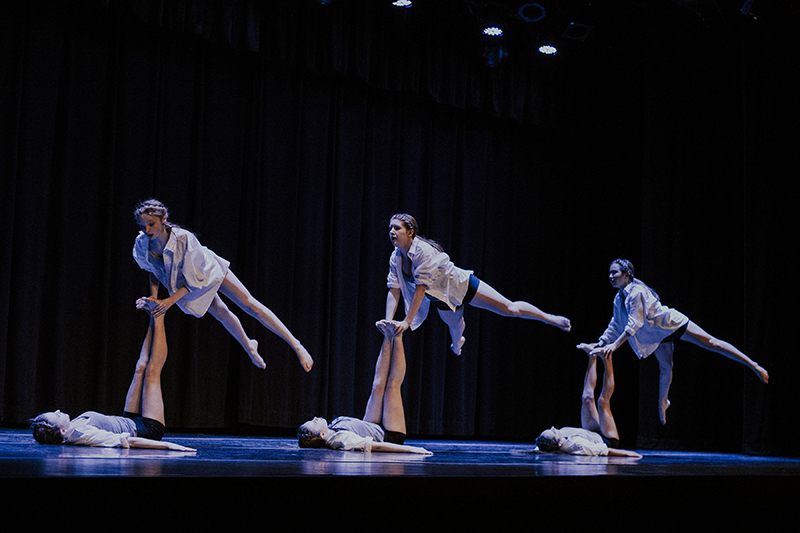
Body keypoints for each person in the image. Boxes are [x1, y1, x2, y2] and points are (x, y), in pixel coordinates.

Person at [132, 198, 313, 372]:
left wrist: (168, 302)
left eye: (151, 224)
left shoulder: (183, 239)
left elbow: (195, 280)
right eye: (143, 225)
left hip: (207, 271)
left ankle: (296, 345)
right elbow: (153, 271)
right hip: (183, 285)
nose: (147, 229)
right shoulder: (142, 243)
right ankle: (249, 345)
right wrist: (154, 299)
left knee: (249, 304)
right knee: (221, 313)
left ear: (163, 219)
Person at [582, 258, 768, 424]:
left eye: (614, 272)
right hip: (656, 335)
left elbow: (633, 324)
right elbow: (616, 323)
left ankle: (754, 365)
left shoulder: (635, 292)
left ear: (627, 274)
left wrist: (613, 346)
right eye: (609, 273)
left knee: (713, 343)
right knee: (666, 367)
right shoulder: (619, 297)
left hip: (671, 324)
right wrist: (601, 342)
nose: (611, 276)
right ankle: (664, 401)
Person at [384, 213, 571, 355]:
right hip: (442, 298)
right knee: (456, 328)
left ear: (410, 232)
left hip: (463, 286)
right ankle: (457, 343)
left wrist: (406, 322)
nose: (392, 231)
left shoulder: (423, 251)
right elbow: (394, 289)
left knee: (509, 308)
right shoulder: (396, 257)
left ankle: (549, 317)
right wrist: (388, 321)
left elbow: (420, 290)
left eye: (397, 228)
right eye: (391, 228)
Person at [29, 299, 195, 451]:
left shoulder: (72, 427)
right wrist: (169, 446)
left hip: (128, 421)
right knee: (152, 372)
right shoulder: (85, 435)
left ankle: (154, 314)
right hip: (147, 430)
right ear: (63, 430)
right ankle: (160, 314)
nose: (58, 410)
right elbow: (129, 441)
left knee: (140, 367)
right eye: (56, 415)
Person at [297, 321, 432, 454]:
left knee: (377, 385)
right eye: (313, 423)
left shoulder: (332, 429)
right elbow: (376, 446)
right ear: (322, 434)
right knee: (392, 387)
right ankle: (398, 335)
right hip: (390, 436)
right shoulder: (343, 439)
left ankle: (387, 336)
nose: (315, 418)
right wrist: (412, 449)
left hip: (372, 426)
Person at [534, 343, 641, 458]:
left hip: (591, 433)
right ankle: (607, 358)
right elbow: (605, 451)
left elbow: (542, 447)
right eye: (554, 431)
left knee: (587, 398)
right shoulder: (578, 446)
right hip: (607, 440)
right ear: (560, 444)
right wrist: (629, 454)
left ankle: (592, 355)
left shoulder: (549, 442)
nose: (554, 428)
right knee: (603, 402)